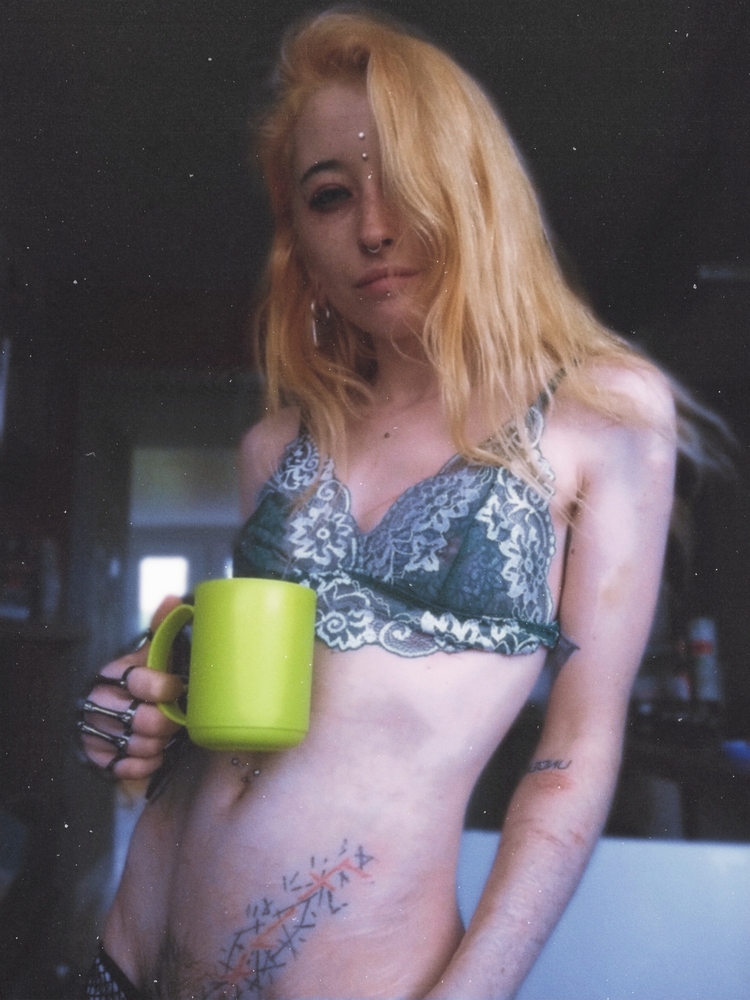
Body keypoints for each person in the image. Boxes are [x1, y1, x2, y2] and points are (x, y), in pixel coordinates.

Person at [79, 9, 679, 999]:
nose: (372, 227)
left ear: (470, 186)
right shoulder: (272, 447)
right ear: (301, 243)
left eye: (404, 177)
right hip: (129, 958)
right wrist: (142, 717)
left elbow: (577, 747)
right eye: (329, 196)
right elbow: (280, 718)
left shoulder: (602, 413)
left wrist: (473, 991)